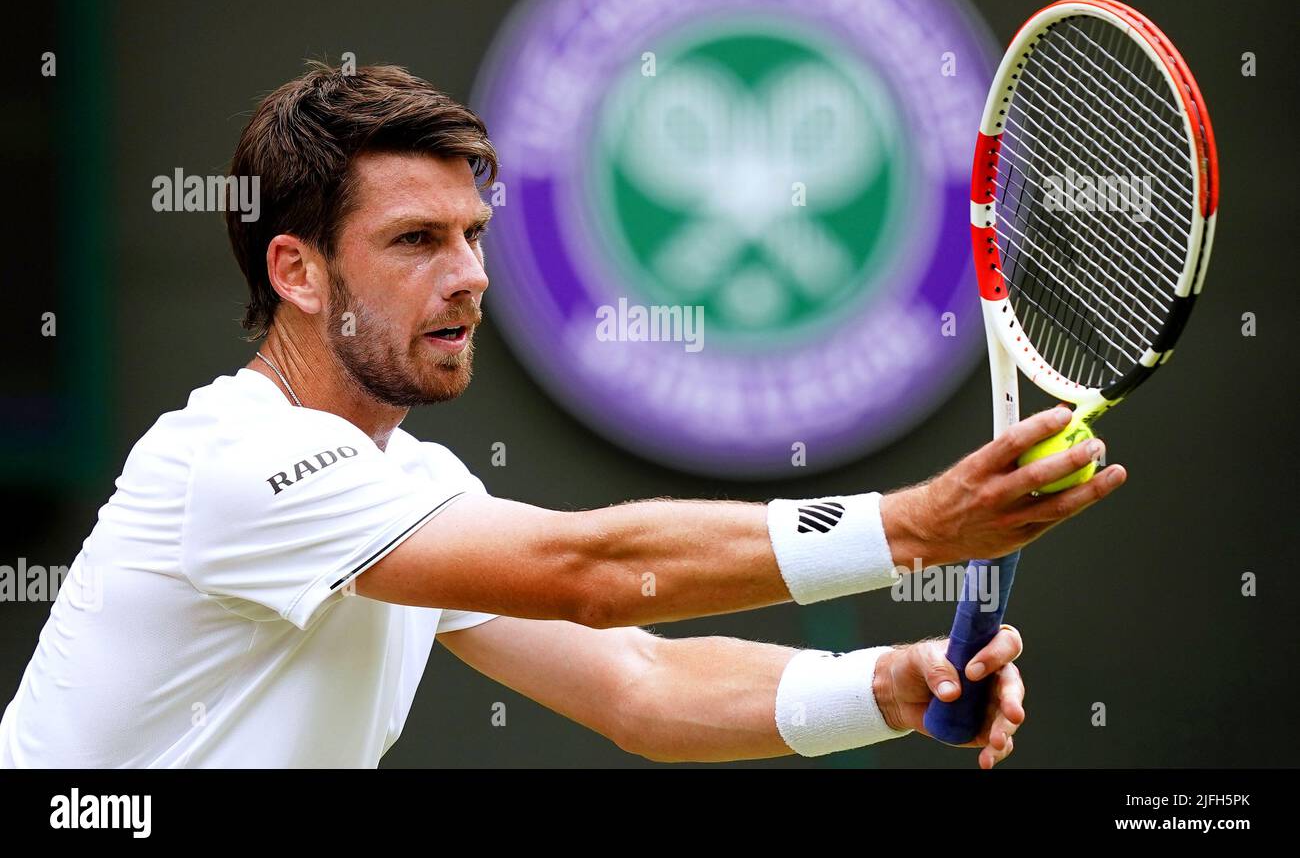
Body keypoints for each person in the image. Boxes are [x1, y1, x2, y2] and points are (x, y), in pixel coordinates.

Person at [0, 64, 1125, 768]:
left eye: (472, 235)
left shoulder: (409, 494)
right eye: (414, 241)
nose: (469, 275)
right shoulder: (239, 465)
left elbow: (639, 687)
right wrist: (915, 527)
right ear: (295, 272)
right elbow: (588, 568)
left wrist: (886, 685)